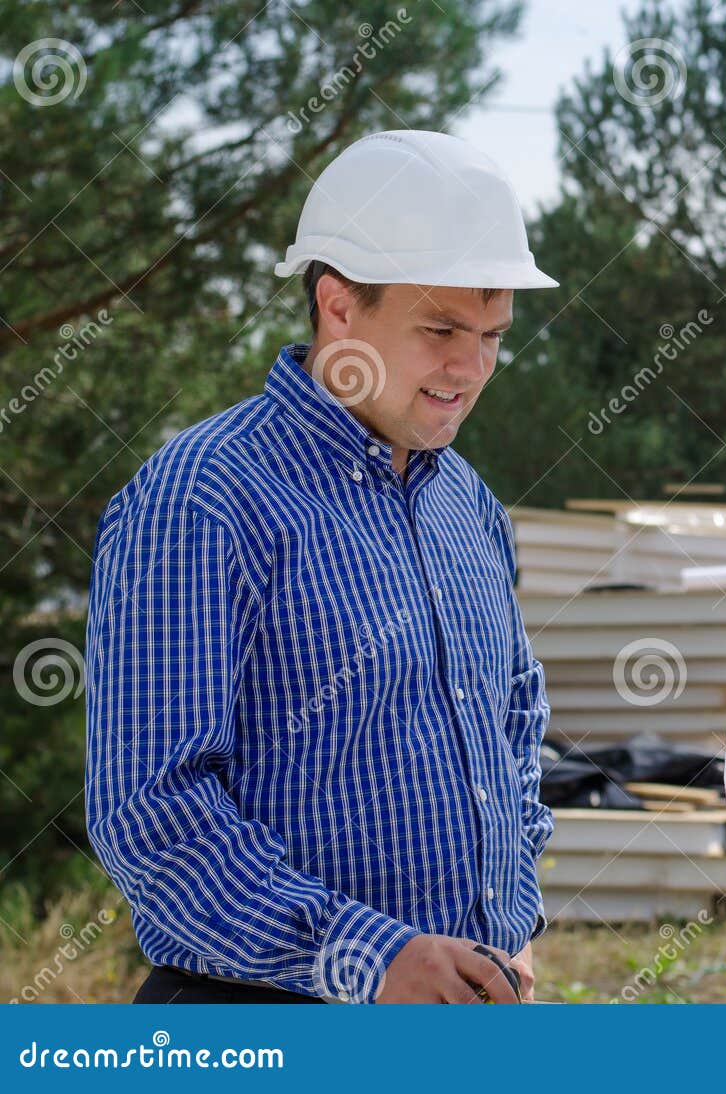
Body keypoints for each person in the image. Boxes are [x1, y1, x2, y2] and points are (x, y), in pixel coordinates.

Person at [85, 130, 559, 1004]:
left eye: (493, 334)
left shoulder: (466, 502)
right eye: (442, 329)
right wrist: (370, 957)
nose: (472, 367)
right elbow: (149, 815)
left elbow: (514, 722)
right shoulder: (203, 498)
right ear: (338, 307)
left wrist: (513, 920)